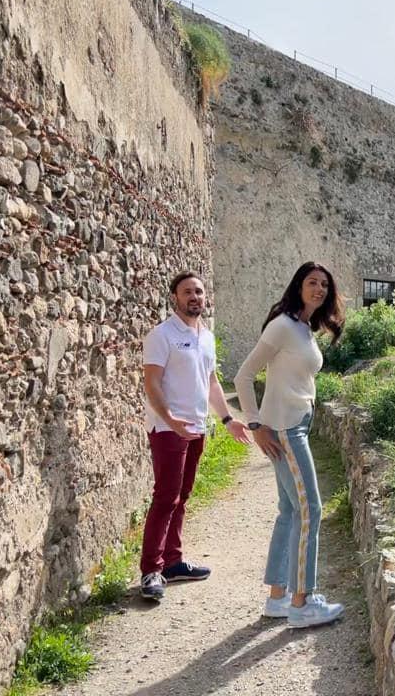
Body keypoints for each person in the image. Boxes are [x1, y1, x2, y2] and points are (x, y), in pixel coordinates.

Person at [234, 261, 346, 627]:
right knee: (310, 510)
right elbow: (244, 375)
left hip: (293, 424)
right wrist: (255, 424)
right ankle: (303, 603)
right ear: (298, 285)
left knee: (289, 511)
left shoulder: (303, 328)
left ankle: (279, 597)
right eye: (312, 282)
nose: (319, 289)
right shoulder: (283, 325)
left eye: (324, 285)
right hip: (285, 429)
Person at [140, 271, 250, 601]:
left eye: (199, 292)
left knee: (182, 495)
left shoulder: (205, 336)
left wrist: (228, 418)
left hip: (196, 427)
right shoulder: (162, 335)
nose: (195, 297)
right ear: (175, 297)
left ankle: (172, 562)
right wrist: (170, 419)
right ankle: (151, 571)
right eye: (188, 291)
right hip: (169, 429)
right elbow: (152, 383)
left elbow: (212, 382)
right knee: (165, 497)